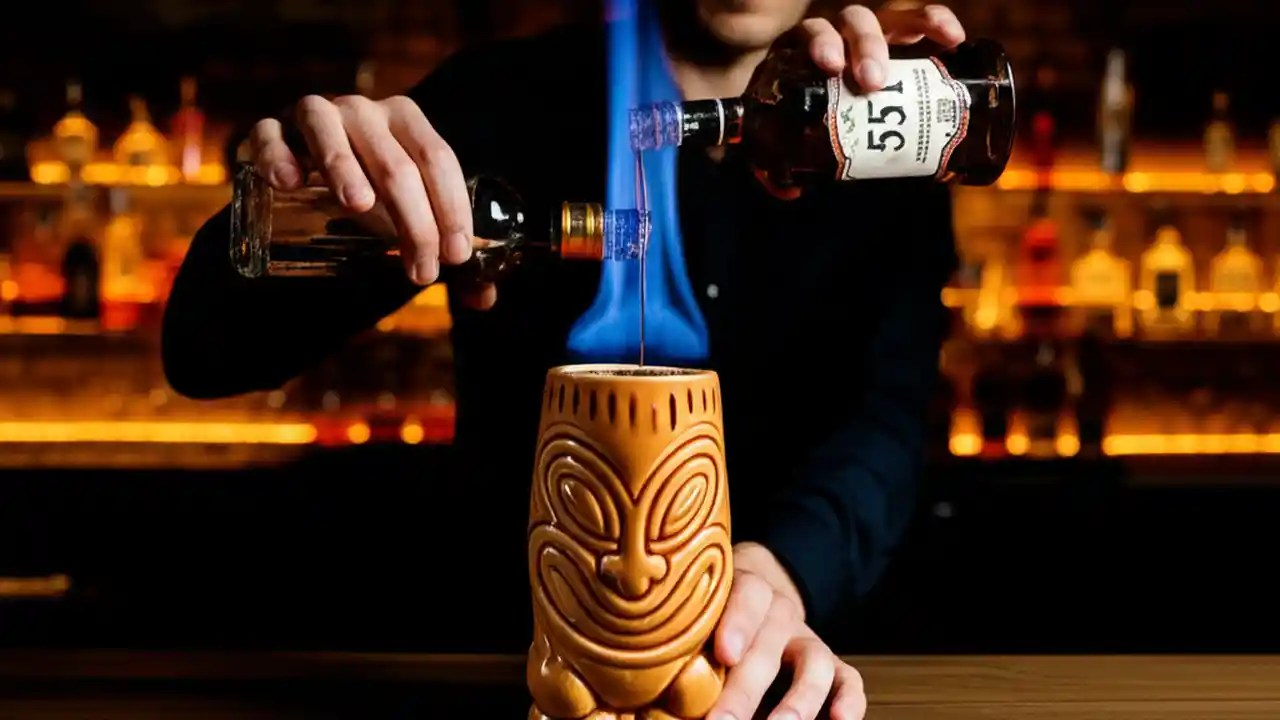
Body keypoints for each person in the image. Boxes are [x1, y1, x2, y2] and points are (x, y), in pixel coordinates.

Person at [162, 1, 966, 718]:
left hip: (777, 683)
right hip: (506, 674)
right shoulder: (496, 100)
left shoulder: (879, 132)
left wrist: (781, 576)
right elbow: (206, 349)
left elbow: (887, 424)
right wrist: (294, 193)